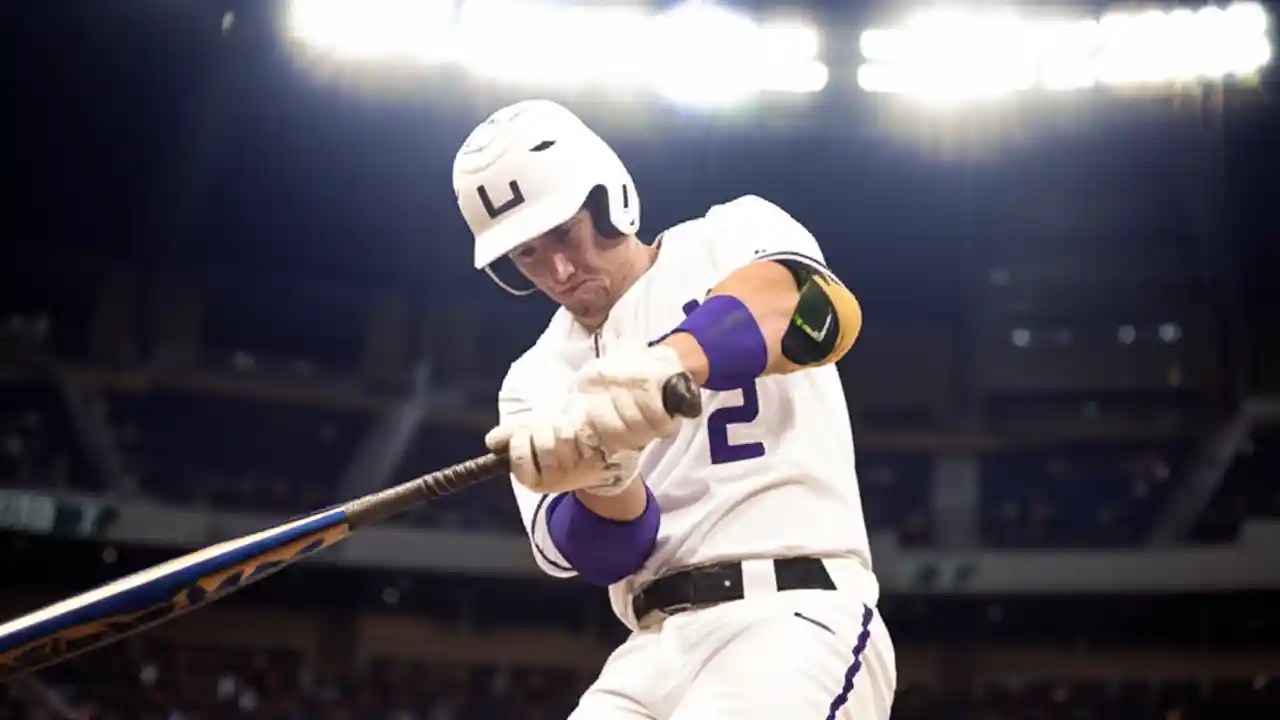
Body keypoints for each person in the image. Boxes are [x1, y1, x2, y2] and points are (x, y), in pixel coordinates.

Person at [452, 99, 895, 719]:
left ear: (607, 198)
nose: (557, 267)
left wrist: (666, 363)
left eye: (562, 232)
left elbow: (821, 314)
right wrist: (607, 472)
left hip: (790, 613)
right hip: (650, 645)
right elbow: (607, 556)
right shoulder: (535, 379)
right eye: (527, 253)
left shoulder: (730, 234)